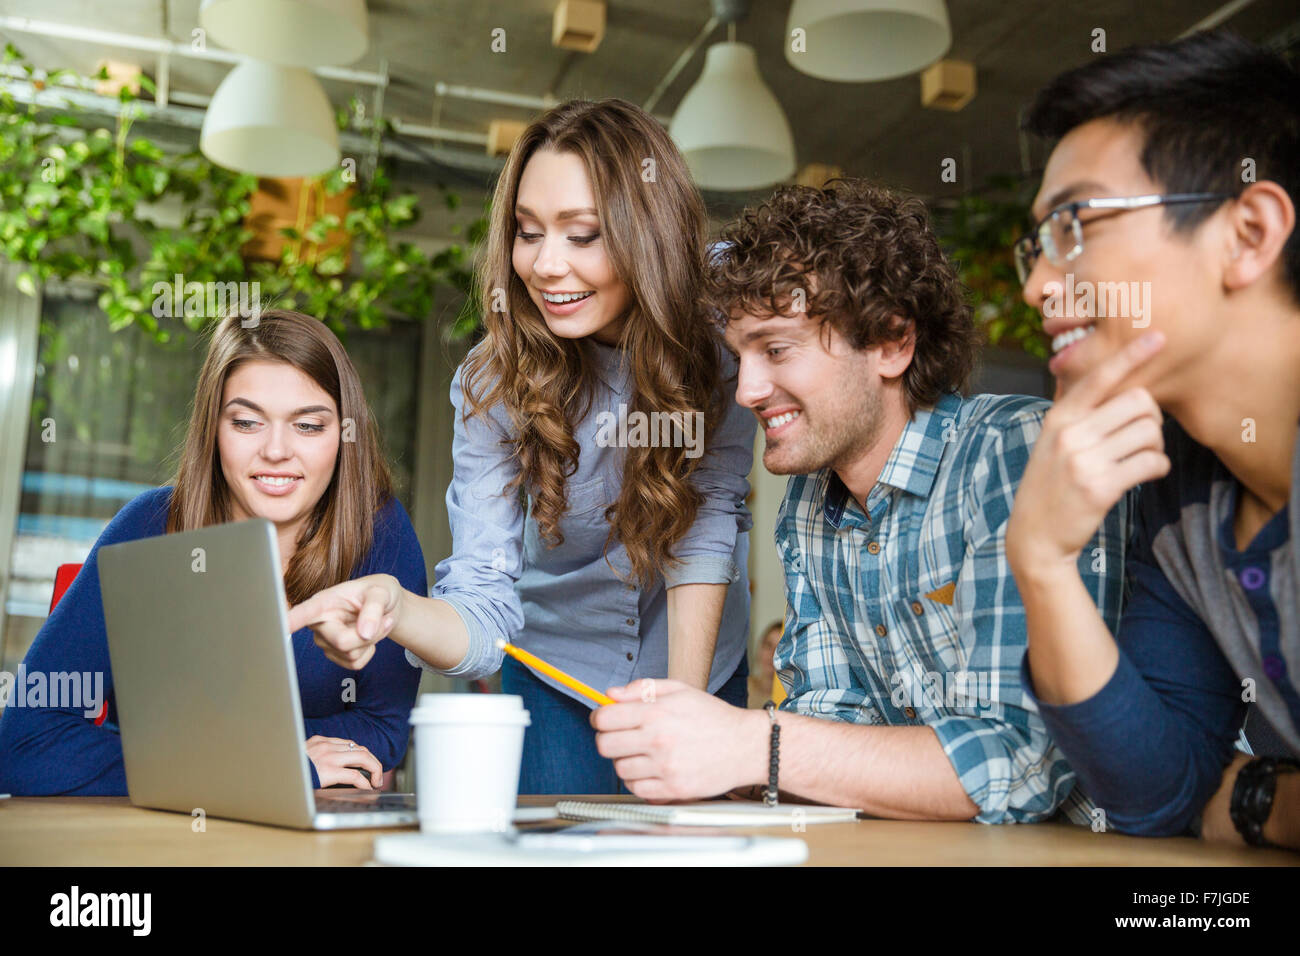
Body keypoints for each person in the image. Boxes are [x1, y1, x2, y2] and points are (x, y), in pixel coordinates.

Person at [590, 180, 1127, 821]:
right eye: (741, 356)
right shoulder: (812, 503)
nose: (747, 391)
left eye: (777, 349)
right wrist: (706, 749)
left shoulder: (1013, 453)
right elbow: (831, 719)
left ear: (893, 343)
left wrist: (751, 745)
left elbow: (1016, 765)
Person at [289, 99, 756, 794]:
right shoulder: (491, 382)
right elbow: (481, 606)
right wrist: (397, 606)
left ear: (646, 233)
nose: (545, 265)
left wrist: (686, 714)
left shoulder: (722, 326)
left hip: (699, 662)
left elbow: (709, 516)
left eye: (584, 234)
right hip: (555, 675)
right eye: (528, 232)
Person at [1003, 30, 1300, 849]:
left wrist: (1251, 797)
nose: (1035, 285)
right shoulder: (1181, 490)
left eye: (1074, 223)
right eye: (1039, 242)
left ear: (1248, 233)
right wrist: (1042, 562)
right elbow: (1159, 797)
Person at [0, 310, 426, 795]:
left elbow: (384, 733)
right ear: (213, 429)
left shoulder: (381, 532)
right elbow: (25, 744)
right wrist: (267, 766)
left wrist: (180, 756)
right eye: (246, 422)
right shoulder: (149, 526)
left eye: (308, 426)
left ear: (343, 436)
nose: (276, 450)